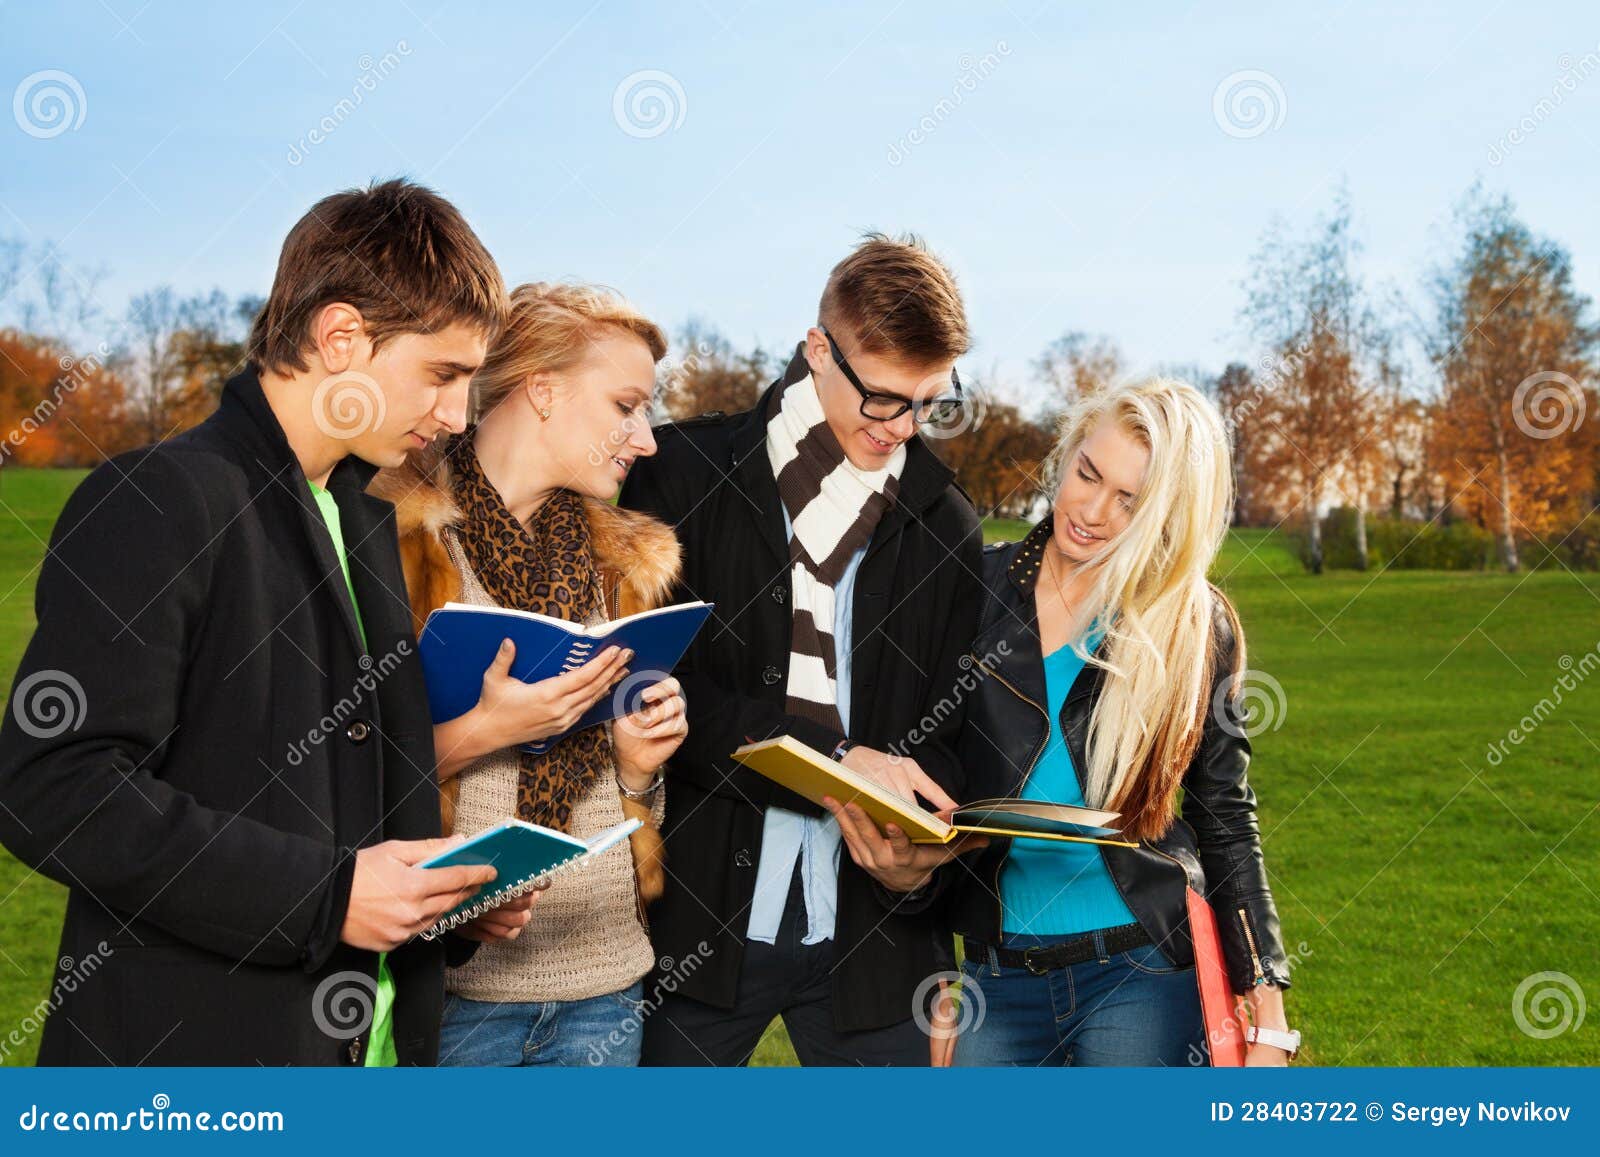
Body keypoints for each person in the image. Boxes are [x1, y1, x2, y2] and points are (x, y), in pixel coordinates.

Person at [0, 178, 533, 1065]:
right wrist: (326, 896)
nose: (455, 415)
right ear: (340, 336)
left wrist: (438, 895)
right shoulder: (161, 498)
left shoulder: (365, 519)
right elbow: (53, 785)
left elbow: (342, 803)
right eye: (443, 374)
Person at [621, 233, 987, 1066]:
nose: (903, 428)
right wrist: (838, 759)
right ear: (818, 349)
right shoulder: (681, 475)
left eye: (928, 402)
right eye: (883, 398)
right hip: (697, 918)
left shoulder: (947, 522)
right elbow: (654, 686)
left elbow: (953, 729)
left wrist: (918, 850)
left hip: (876, 940)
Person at [899, 377, 1297, 1066]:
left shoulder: (1193, 625)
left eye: (1129, 501)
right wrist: (937, 978)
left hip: (1142, 971)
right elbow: (919, 779)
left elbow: (1225, 816)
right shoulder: (970, 588)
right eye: (1087, 474)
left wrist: (1267, 1008)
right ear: (1067, 453)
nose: (1091, 511)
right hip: (997, 973)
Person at [373, 282, 687, 1066]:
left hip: (606, 986)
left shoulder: (622, 567)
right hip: (454, 994)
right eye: (625, 406)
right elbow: (341, 779)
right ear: (542, 390)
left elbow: (634, 808)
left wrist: (638, 767)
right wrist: (485, 730)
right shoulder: (395, 543)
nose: (646, 439)